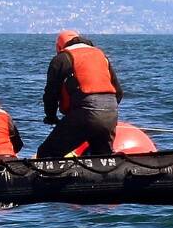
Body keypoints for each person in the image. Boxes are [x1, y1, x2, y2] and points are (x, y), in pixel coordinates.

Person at [38, 30, 124, 158]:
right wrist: (106, 111)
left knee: (47, 153)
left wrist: (51, 116)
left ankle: (56, 177)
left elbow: (51, 93)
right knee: (102, 157)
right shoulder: (100, 55)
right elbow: (119, 92)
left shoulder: (62, 58)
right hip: (110, 112)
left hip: (85, 112)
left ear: (59, 47)